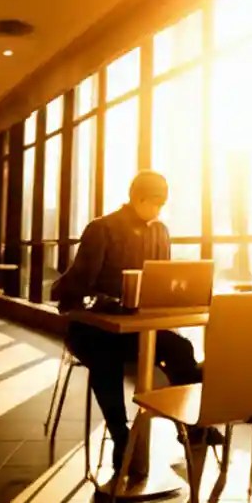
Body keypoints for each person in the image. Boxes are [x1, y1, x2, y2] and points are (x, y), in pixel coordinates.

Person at [52, 170, 220, 472]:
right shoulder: (102, 229)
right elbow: (76, 286)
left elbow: (162, 281)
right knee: (106, 361)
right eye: (154, 201)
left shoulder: (160, 231)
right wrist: (102, 300)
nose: (158, 209)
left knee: (181, 349)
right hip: (91, 329)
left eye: (162, 203)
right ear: (136, 198)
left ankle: (194, 427)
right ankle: (121, 436)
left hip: (139, 329)